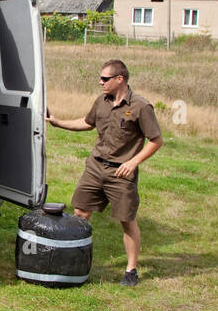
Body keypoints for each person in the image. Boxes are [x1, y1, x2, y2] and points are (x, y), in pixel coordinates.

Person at [46, 59, 162, 286]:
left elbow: (156, 140)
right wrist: (58, 123)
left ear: (120, 79)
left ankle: (131, 270)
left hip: (121, 173)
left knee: (126, 221)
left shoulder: (140, 106)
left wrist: (134, 162)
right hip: (95, 167)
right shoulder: (102, 101)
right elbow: (87, 122)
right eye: (100, 78)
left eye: (105, 79)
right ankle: (76, 261)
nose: (100, 82)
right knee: (80, 213)